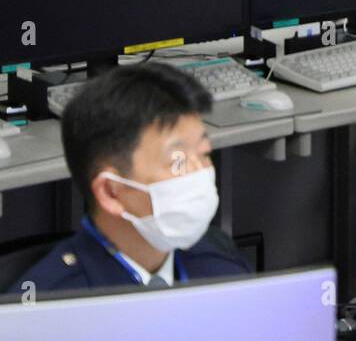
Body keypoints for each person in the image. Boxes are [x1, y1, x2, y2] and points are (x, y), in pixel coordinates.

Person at [16, 63, 249, 294]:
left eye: (204, 153)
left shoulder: (222, 267)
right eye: (177, 162)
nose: (199, 173)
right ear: (110, 192)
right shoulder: (54, 307)